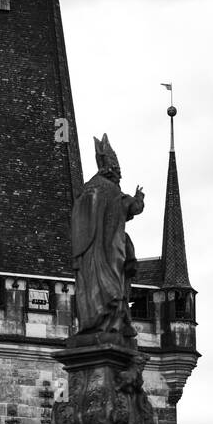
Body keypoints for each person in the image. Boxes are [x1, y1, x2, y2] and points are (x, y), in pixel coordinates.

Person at [71, 133, 144, 340]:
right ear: (112, 170)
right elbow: (132, 208)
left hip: (88, 254)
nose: (120, 176)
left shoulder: (87, 189)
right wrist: (139, 199)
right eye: (118, 171)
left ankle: (98, 323)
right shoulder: (111, 189)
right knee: (114, 288)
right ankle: (115, 323)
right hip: (109, 251)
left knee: (94, 288)